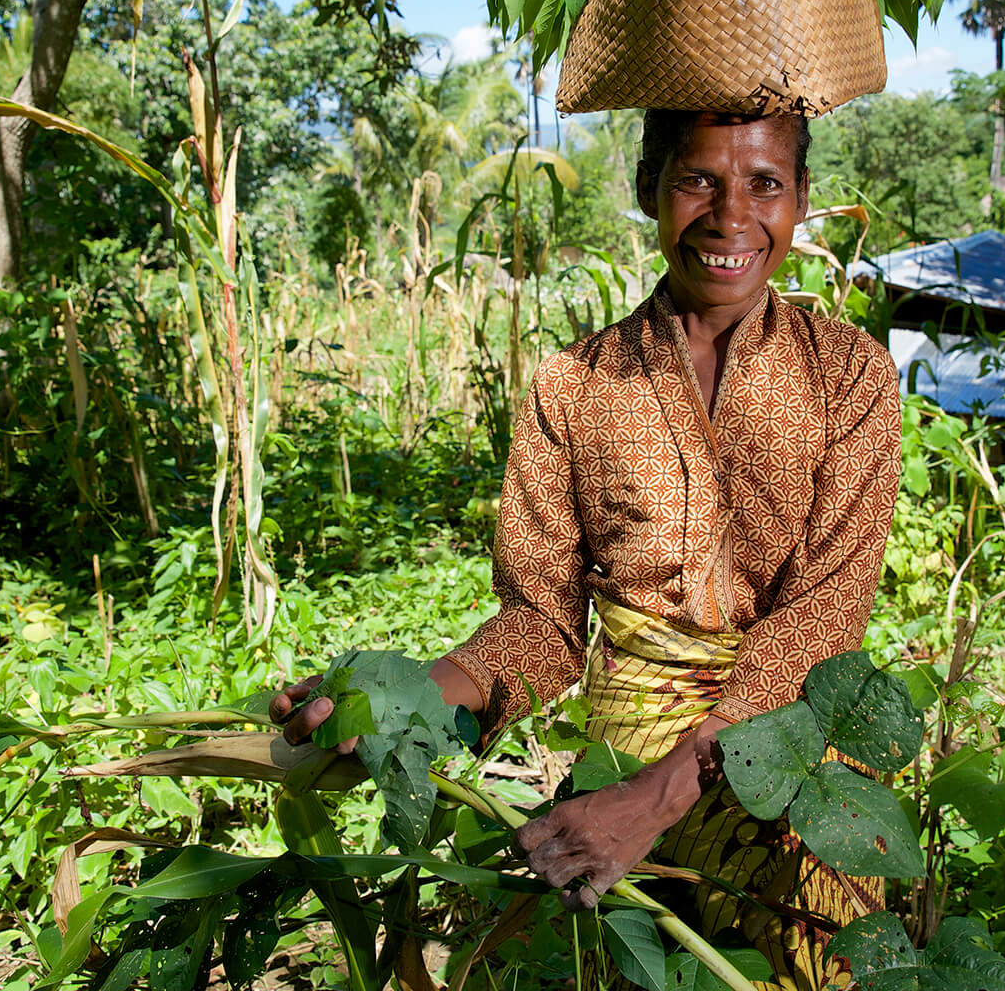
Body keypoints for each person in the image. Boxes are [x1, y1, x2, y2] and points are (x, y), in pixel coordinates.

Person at [273, 109, 902, 990]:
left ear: (800, 201)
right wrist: (406, 694)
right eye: (696, 181)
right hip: (629, 739)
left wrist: (660, 796)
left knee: (820, 943)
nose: (731, 216)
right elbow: (543, 624)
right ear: (650, 190)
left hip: (791, 738)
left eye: (765, 183)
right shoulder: (574, 385)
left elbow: (825, 619)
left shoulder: (849, 374)